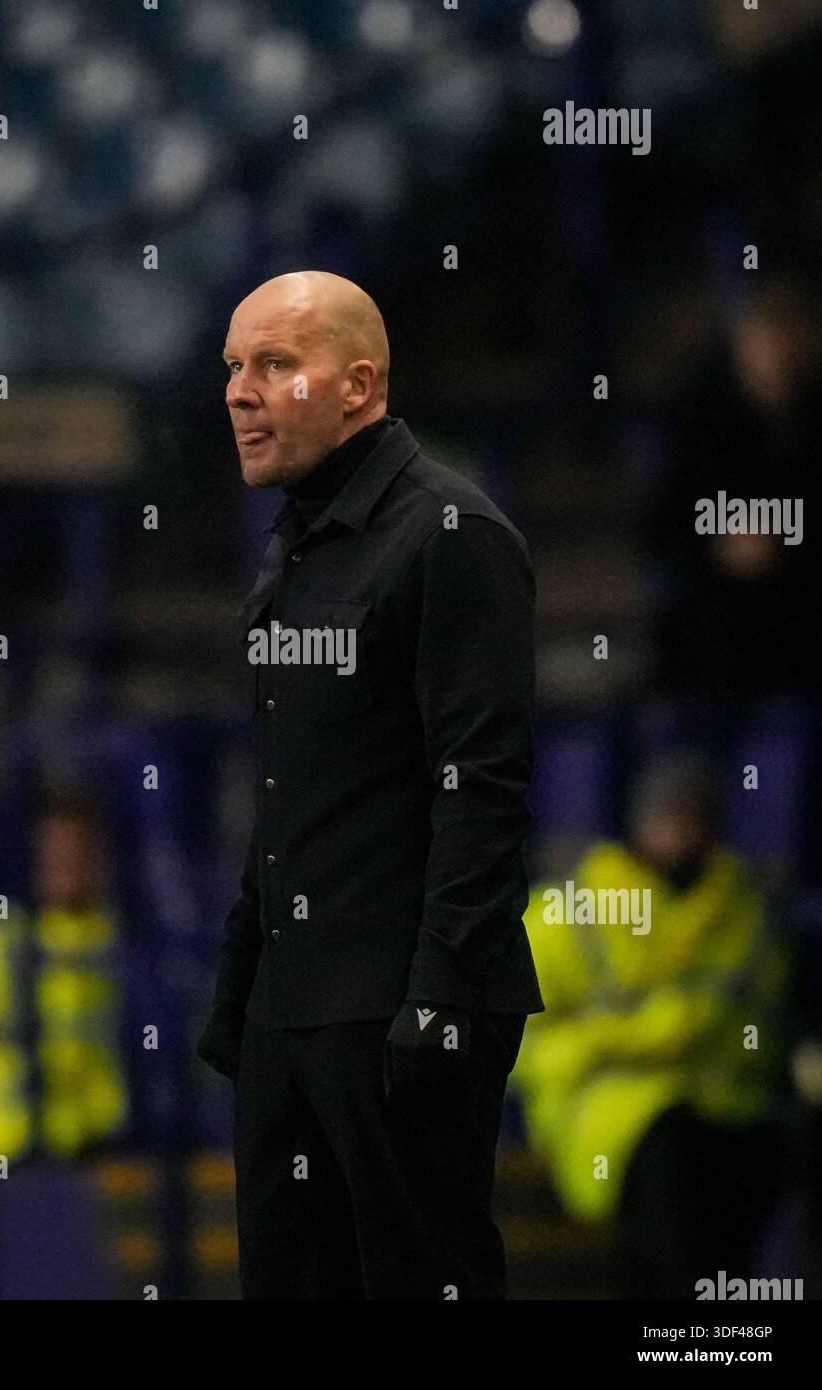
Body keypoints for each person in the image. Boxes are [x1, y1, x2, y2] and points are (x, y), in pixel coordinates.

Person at [196, 270, 544, 1299]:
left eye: (273, 365)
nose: (238, 392)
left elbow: (481, 787)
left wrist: (438, 996)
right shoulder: (294, 545)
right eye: (231, 366)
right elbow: (287, 789)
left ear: (356, 386)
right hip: (290, 1011)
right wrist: (241, 991)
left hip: (398, 1010)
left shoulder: (450, 535)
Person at [511, 753, 792, 1299]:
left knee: (757, 1161)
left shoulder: (742, 907)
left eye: (695, 818)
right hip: (607, 1106)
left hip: (726, 1103)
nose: (681, 832)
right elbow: (520, 1042)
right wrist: (646, 1037)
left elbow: (763, 1028)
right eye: (669, 815)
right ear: (638, 822)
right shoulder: (573, 908)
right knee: (668, 1159)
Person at [0, 794, 130, 1188]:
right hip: (5, 1155)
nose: (66, 862)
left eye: (79, 848)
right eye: (54, 849)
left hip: (106, 1148)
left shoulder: (121, 941)